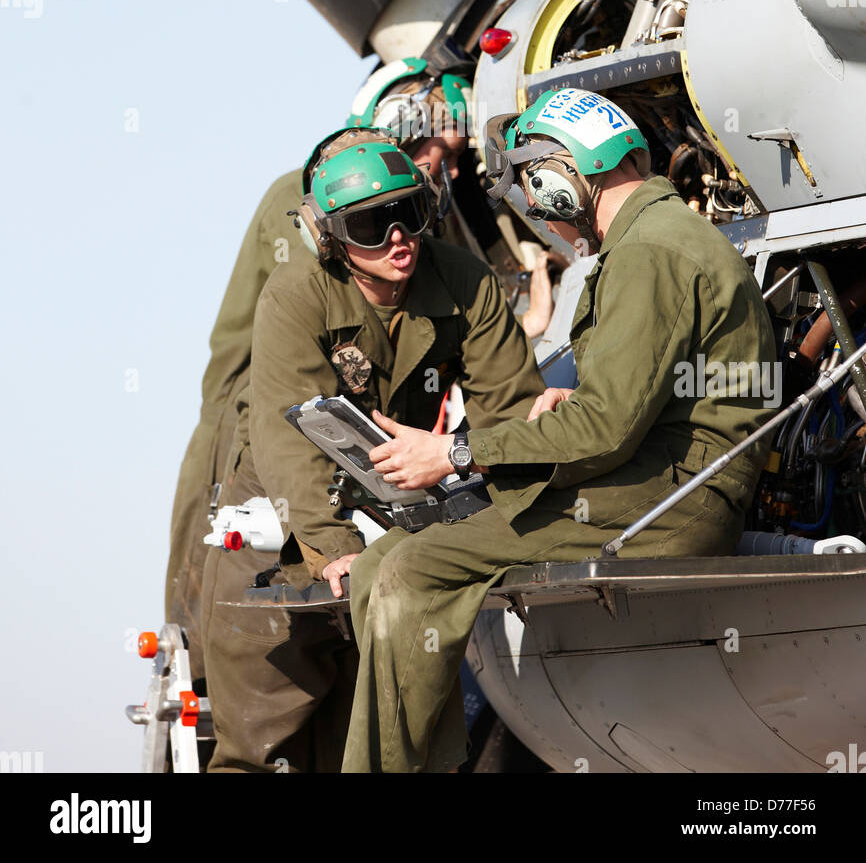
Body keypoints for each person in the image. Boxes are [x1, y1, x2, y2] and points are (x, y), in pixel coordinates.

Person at [340, 87, 777, 774]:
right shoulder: (658, 240)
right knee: (378, 563)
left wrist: (454, 451)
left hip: (667, 502)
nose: (538, 208)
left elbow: (604, 429)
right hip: (647, 480)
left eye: (533, 186)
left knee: (409, 570)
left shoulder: (649, 252)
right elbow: (625, 405)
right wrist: (568, 406)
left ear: (560, 175)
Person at [201, 127, 544, 772]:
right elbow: (286, 437)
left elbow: (512, 411)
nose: (398, 238)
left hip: (393, 502)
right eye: (370, 224)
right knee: (260, 737)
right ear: (330, 239)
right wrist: (332, 548)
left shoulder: (464, 281)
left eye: (409, 214)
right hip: (282, 505)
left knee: (364, 735)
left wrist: (484, 483)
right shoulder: (295, 295)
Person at [165, 58, 471, 685]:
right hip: (253, 428)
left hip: (343, 436)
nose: (455, 169)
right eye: (444, 150)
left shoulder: (415, 222)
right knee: (238, 643)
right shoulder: (303, 206)